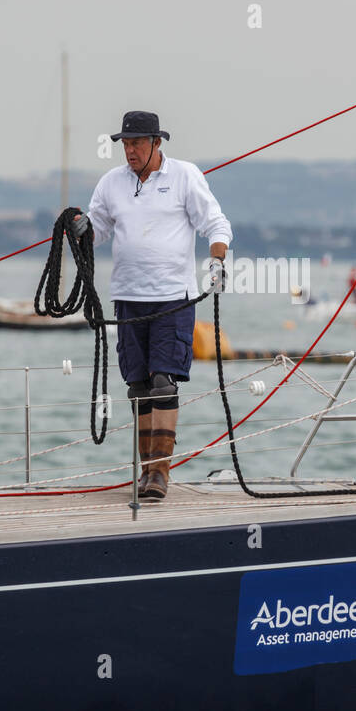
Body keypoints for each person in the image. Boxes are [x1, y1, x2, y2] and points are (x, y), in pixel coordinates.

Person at [75, 111, 232, 501]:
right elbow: (98, 230)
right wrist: (80, 228)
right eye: (125, 144)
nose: (129, 151)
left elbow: (216, 224)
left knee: (163, 381)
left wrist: (216, 262)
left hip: (172, 298)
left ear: (156, 143)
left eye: (137, 143)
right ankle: (145, 472)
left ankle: (159, 474)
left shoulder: (184, 176)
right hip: (128, 297)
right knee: (138, 385)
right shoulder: (110, 183)